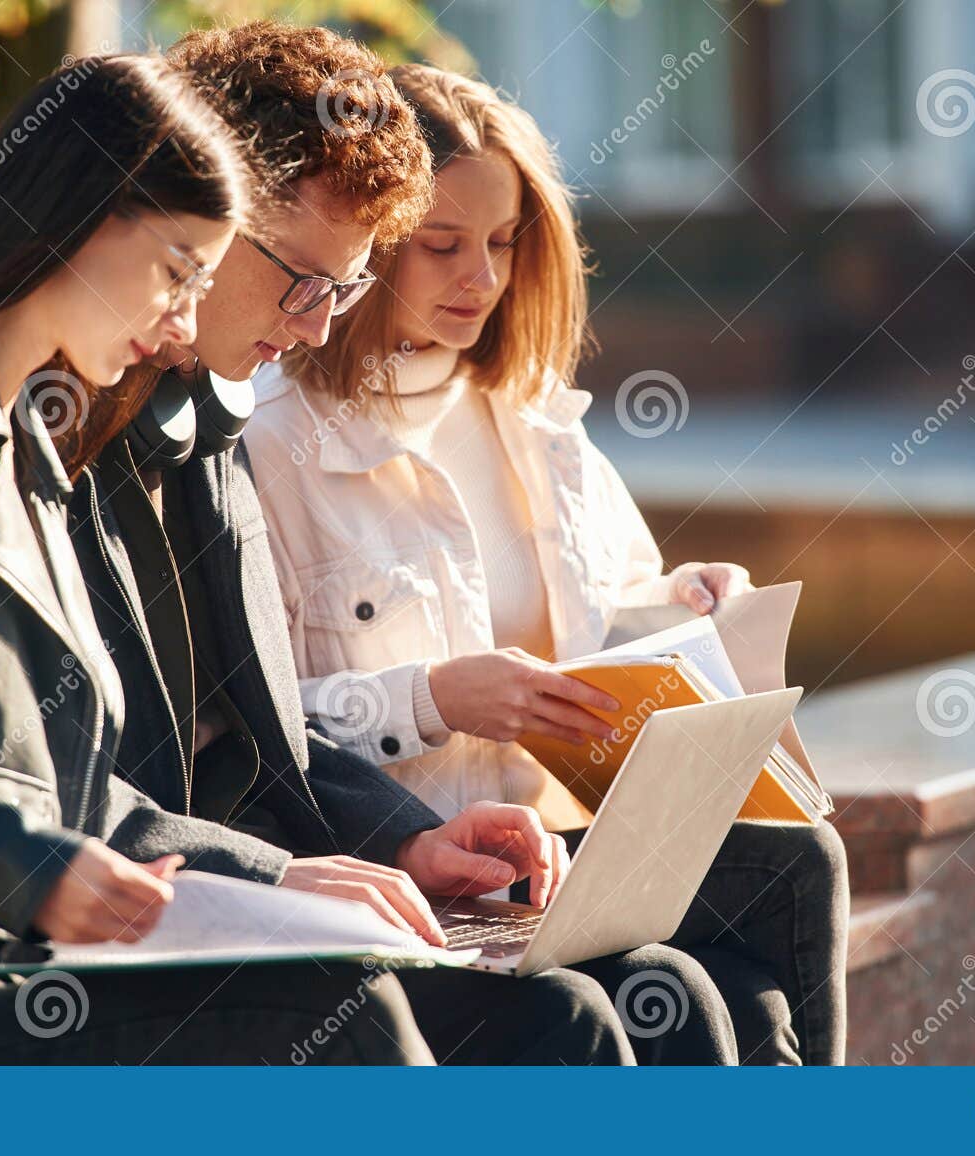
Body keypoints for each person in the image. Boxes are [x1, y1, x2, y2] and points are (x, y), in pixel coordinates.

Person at [0, 54, 521, 1068]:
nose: (182, 323)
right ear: (80, 220)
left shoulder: (34, 452)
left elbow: (65, 782)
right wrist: (30, 864)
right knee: (341, 1015)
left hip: (3, 963)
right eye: (179, 271)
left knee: (389, 1003)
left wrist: (263, 882)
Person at [57, 22, 734, 1064]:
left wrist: (401, 842)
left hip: (372, 863)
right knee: (564, 1018)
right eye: (437, 246)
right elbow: (72, 773)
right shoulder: (212, 433)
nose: (319, 325)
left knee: (691, 970)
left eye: (504, 243)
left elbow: (249, 732)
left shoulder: (208, 427)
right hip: (134, 927)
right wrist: (327, 840)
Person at [244, 63, 852, 1065]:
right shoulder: (274, 444)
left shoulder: (534, 417)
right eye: (440, 245)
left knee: (793, 860)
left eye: (501, 242)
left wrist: (681, 605)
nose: (479, 277)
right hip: (418, 859)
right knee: (702, 1001)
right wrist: (433, 696)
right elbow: (250, 725)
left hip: (566, 852)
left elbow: (605, 616)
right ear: (369, 242)